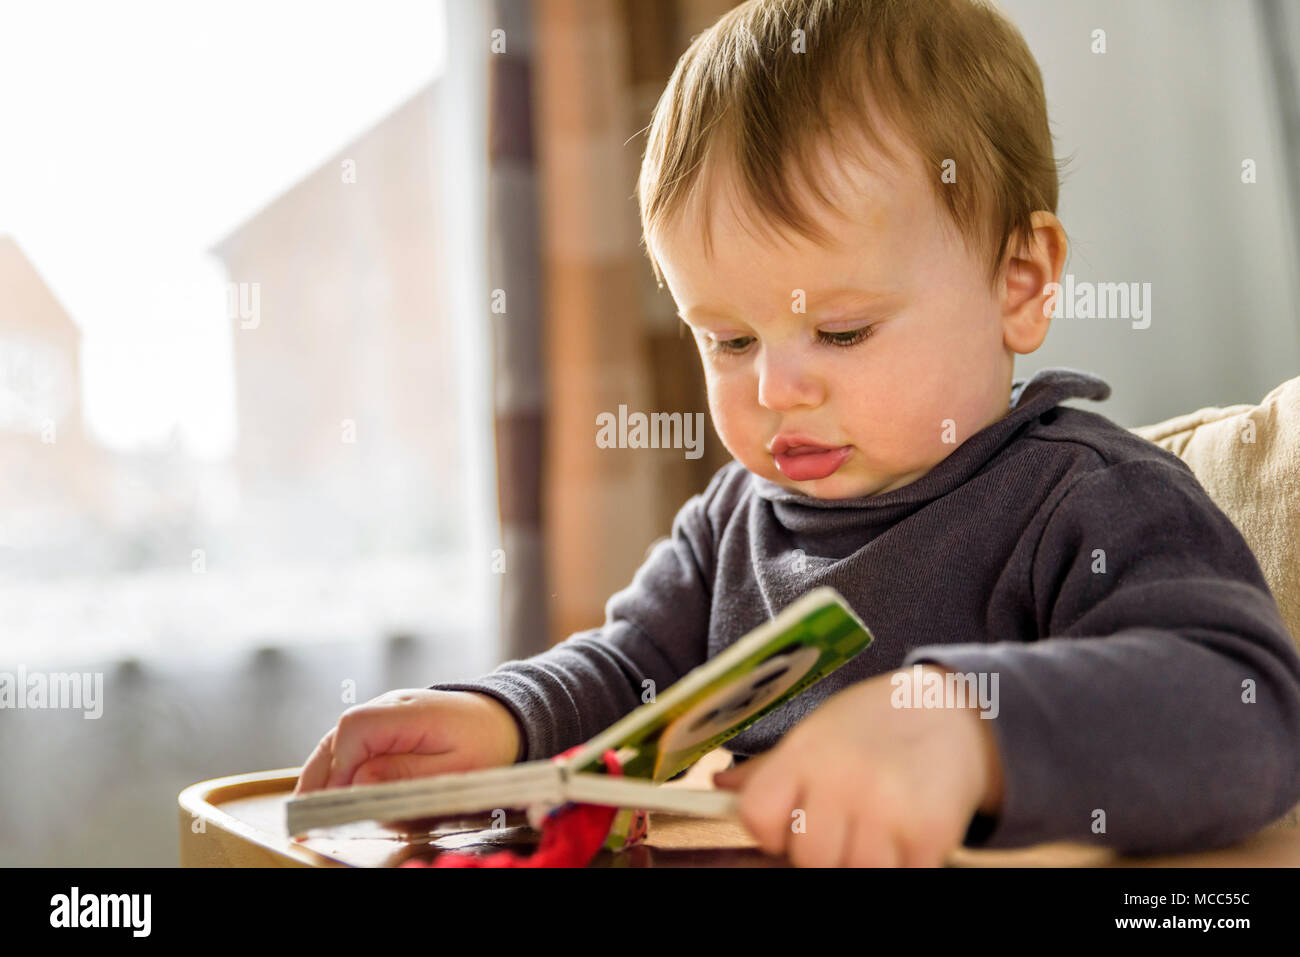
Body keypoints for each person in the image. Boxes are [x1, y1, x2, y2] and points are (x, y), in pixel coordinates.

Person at [294, 0, 1300, 866]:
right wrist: (502, 719)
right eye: (727, 339)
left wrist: (966, 727)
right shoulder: (732, 523)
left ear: (1019, 284)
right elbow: (627, 675)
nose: (775, 386)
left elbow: (1247, 709)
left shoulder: (1088, 501)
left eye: (840, 330)